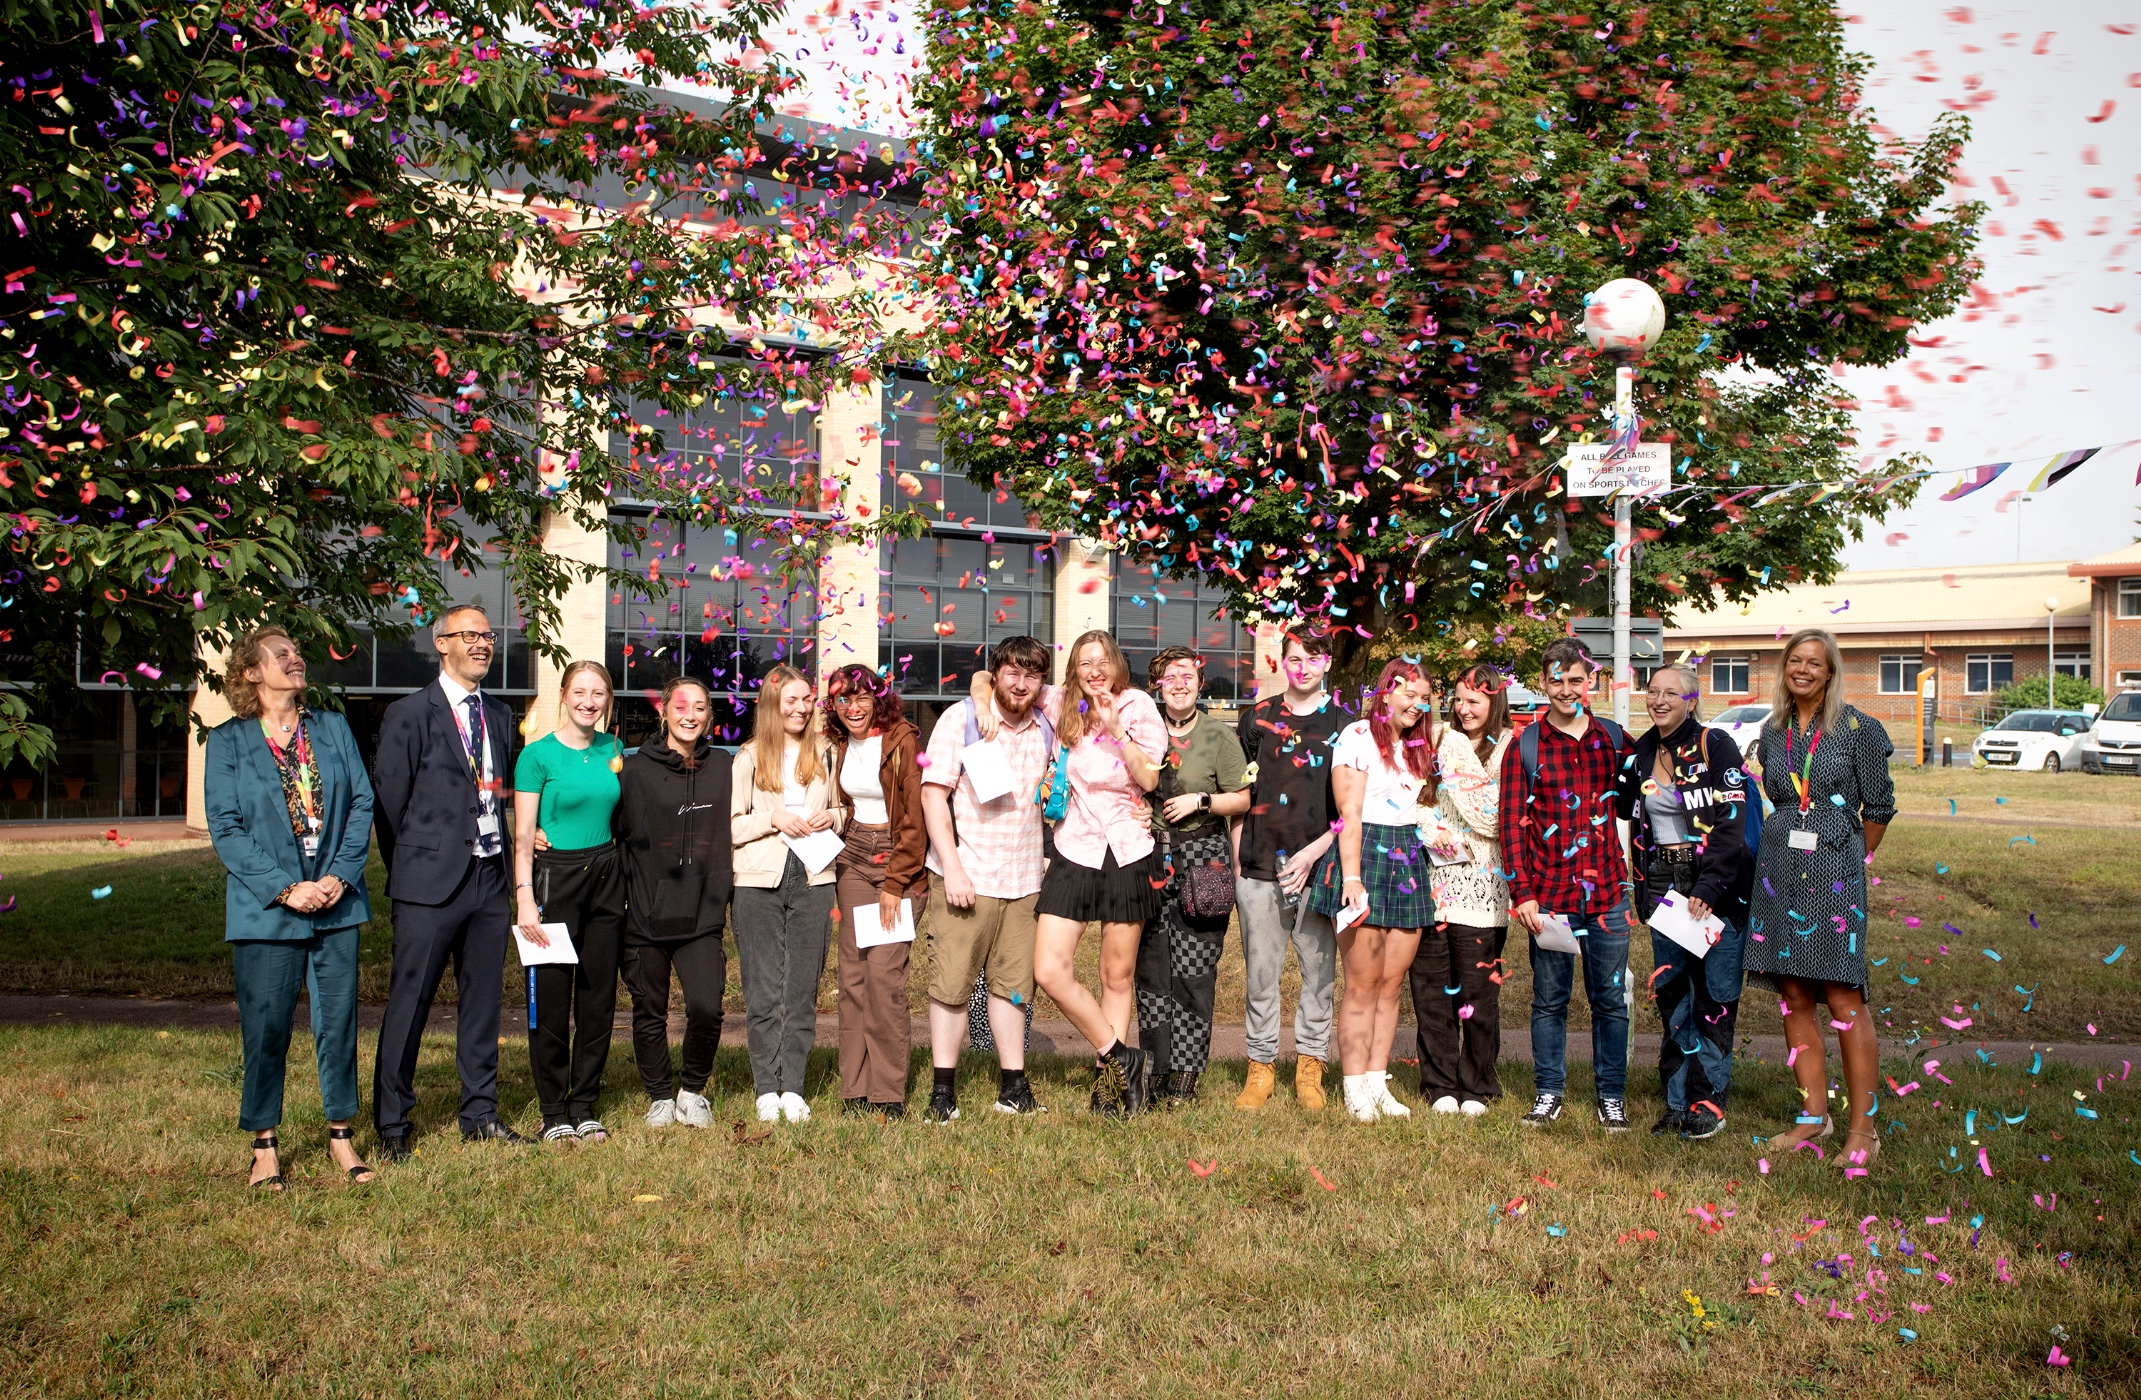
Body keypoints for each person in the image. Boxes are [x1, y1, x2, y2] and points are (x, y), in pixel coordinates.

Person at [204, 626, 377, 1189]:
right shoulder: (228, 741)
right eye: (281, 655)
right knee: (266, 1028)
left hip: (335, 904)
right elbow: (226, 829)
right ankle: (264, 1145)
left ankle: (341, 1137)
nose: (295, 659)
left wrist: (339, 876)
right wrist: (285, 888)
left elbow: (362, 803)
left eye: (297, 653)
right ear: (251, 672)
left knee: (339, 1024)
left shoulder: (331, 727)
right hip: (268, 910)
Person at [975, 629, 1166, 1115]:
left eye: (1103, 661)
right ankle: (1122, 1056)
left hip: (1126, 849)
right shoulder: (1062, 702)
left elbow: (1149, 778)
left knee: (1115, 975)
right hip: (1074, 848)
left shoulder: (1139, 706)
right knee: (1048, 968)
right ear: (1074, 670)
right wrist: (980, 702)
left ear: (1117, 664)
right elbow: (988, 678)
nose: (1095, 671)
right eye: (1085, 663)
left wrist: (1117, 729)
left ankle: (1110, 1087)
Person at [371, 603, 527, 1156]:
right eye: (470, 635)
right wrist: (415, 865)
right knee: (410, 1002)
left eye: (489, 636)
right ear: (442, 644)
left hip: (489, 879)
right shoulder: (410, 714)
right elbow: (389, 806)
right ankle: (392, 1123)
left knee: (483, 1003)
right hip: (428, 885)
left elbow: (497, 794)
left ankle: (480, 1114)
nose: (483, 644)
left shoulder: (501, 716)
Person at [1742, 628, 1895, 1172]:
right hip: (1780, 870)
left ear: (1830, 672)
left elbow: (1879, 809)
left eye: (1814, 662)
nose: (1802, 669)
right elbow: (1778, 796)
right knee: (1794, 996)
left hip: (1833, 874)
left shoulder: (1860, 729)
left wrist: (1846, 857)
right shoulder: (1773, 730)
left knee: (1844, 998)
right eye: (1795, 660)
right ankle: (1813, 1117)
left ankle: (1862, 1130)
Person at [1498, 637, 1637, 1132]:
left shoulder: (1616, 740)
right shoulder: (1526, 746)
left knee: (1610, 1001)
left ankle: (1611, 1096)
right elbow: (1510, 825)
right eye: (1556, 681)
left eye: (1576, 680)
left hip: (1608, 894)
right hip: (1551, 896)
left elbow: (1639, 805)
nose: (1566, 690)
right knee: (1549, 1000)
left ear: (1591, 680)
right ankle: (1548, 1092)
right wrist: (1523, 894)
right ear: (1543, 682)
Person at [918, 636, 1056, 1121]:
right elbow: (933, 795)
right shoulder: (961, 720)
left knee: (1013, 988)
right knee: (952, 985)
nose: (1021, 684)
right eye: (1012, 673)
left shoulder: (1046, 723)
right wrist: (952, 867)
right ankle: (943, 1093)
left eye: (1031, 675)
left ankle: (1013, 1088)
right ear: (995, 674)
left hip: (1024, 881)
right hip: (967, 877)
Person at [1619, 665, 1756, 1142]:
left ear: (1692, 701)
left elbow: (1731, 820)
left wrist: (1710, 887)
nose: (1659, 700)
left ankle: (1708, 1103)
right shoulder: (1639, 752)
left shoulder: (1716, 745)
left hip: (1714, 885)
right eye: (1652, 691)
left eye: (1671, 694)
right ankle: (1677, 1102)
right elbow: (1621, 809)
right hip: (1663, 883)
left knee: (1714, 996)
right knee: (1674, 994)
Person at [1312, 660, 1438, 1122]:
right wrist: (1352, 877)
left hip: (1408, 856)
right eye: (1409, 694)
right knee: (1363, 984)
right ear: (1386, 691)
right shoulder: (1358, 736)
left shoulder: (1420, 744)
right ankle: (1353, 1087)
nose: (1417, 704)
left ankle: (1376, 1082)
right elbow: (1349, 813)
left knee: (1390, 984)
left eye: (1424, 698)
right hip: (1364, 854)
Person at [510, 661, 627, 1146]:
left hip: (606, 877)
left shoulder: (613, 750)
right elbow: (522, 836)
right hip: (553, 880)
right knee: (552, 998)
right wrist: (524, 898)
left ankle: (584, 1105)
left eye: (598, 693)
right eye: (579, 692)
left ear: (608, 700)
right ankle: (554, 1111)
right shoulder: (536, 756)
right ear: (563, 695)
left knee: (598, 999)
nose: (589, 702)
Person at [1232, 629, 1347, 1113]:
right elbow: (1239, 792)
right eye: (1295, 658)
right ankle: (1260, 1067)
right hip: (1260, 867)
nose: (1303, 667)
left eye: (1313, 658)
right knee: (1261, 975)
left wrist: (1316, 852)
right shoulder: (1256, 718)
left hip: (1319, 871)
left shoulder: (1345, 724)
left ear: (1327, 663)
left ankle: (1311, 1066)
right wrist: (1239, 861)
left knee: (1319, 973)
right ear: (1282, 662)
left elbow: (1351, 811)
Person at [614, 675, 735, 1129]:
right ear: (663, 711)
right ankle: (660, 1096)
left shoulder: (724, 767)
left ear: (709, 716)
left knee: (706, 1006)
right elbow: (606, 823)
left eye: (700, 707)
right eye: (681, 706)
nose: (690, 715)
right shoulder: (634, 770)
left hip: (702, 911)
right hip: (646, 912)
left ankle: (692, 1090)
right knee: (649, 1009)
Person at [731, 665, 842, 1124]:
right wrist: (773, 819)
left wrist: (832, 818)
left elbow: (843, 809)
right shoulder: (749, 757)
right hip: (759, 878)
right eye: (790, 700)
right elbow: (732, 826)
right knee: (762, 989)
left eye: (806, 700)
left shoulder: (827, 752)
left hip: (814, 876)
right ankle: (766, 1088)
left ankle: (793, 1086)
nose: (799, 708)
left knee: (801, 987)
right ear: (772, 705)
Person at [1140, 646, 1251, 1106]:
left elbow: (1241, 798)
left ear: (1200, 684)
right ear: (1158, 685)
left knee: (1195, 969)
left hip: (1203, 858)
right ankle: (1154, 1067)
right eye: (1170, 676)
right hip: (1148, 857)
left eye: (1188, 676)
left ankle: (1186, 1075)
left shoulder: (1219, 736)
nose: (1180, 684)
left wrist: (1201, 801)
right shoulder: (1141, 731)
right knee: (1151, 970)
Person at [1408, 664, 1515, 1117]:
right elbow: (1413, 800)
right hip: (1432, 885)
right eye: (1458, 699)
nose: (1464, 709)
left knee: (1477, 995)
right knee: (1432, 994)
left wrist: (1452, 749)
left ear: (1495, 703)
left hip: (1483, 893)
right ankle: (1439, 1083)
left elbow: (1494, 817)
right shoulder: (1432, 740)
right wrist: (1433, 831)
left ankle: (1478, 1084)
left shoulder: (1508, 747)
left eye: (1474, 701)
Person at [825, 665, 927, 1118]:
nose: (853, 707)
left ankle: (888, 1092)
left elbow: (915, 821)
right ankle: (855, 1088)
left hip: (896, 858)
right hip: (853, 856)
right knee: (853, 977)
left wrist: (894, 884)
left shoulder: (902, 740)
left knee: (883, 978)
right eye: (843, 699)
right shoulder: (837, 743)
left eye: (862, 697)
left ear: (878, 699)